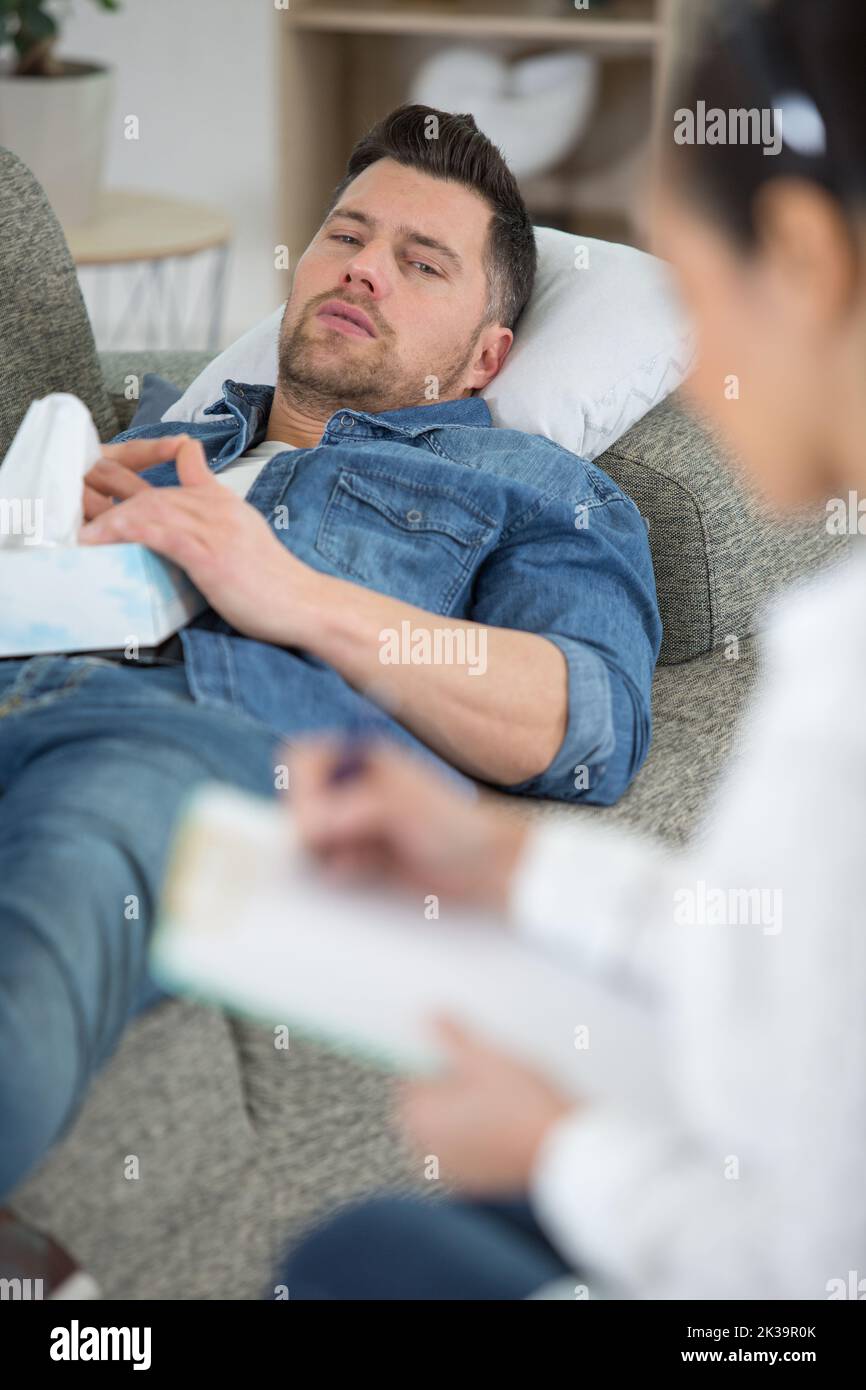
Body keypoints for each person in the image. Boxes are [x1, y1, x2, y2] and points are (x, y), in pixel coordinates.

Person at [274, 0, 866, 1300]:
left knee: (354, 1256)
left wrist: (556, 1152)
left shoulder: (837, 704)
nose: (697, 359)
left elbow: (812, 1273)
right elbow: (783, 960)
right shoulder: (833, 645)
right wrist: (497, 858)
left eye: (695, 289)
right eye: (343, 236)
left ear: (807, 265)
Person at [0, 106, 658, 1239]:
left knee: (65, 874)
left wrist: (291, 593)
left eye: (420, 262)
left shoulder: (530, 481)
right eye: (345, 236)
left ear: (485, 353)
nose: (364, 270)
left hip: (187, 743)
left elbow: (581, 717)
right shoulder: (162, 428)